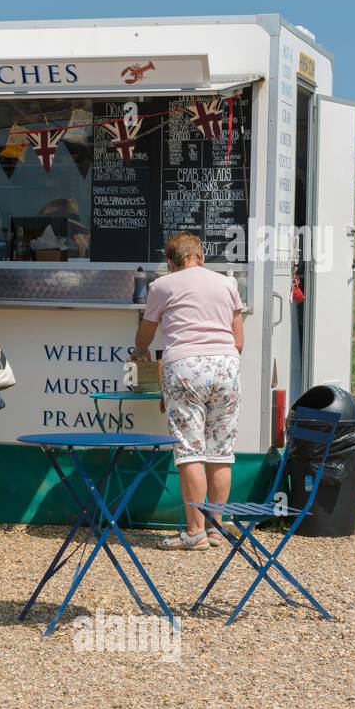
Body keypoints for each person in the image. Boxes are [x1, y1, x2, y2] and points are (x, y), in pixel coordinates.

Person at [134, 231, 245, 551]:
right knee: (221, 452)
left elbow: (146, 334)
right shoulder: (227, 284)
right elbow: (238, 341)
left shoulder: (162, 286)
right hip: (226, 367)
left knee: (190, 450)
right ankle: (215, 528)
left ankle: (195, 532)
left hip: (185, 369)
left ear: (171, 263)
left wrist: (139, 349)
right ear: (202, 258)